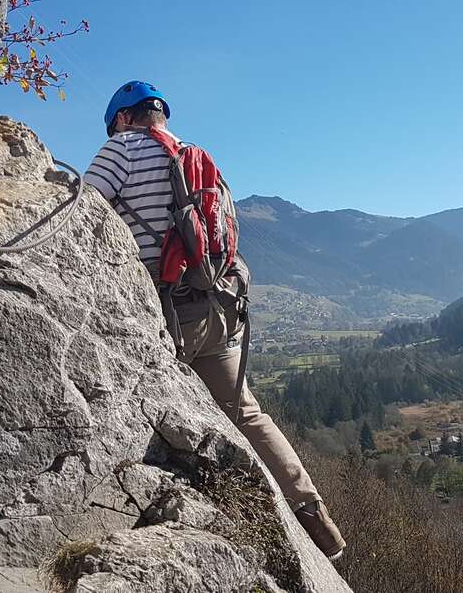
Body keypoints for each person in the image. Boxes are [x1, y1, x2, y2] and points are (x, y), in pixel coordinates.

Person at [83, 81, 346, 560]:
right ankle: (314, 518)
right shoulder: (196, 156)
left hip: (163, 315)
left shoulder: (120, 150)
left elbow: (81, 214)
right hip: (218, 306)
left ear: (121, 118)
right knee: (246, 413)